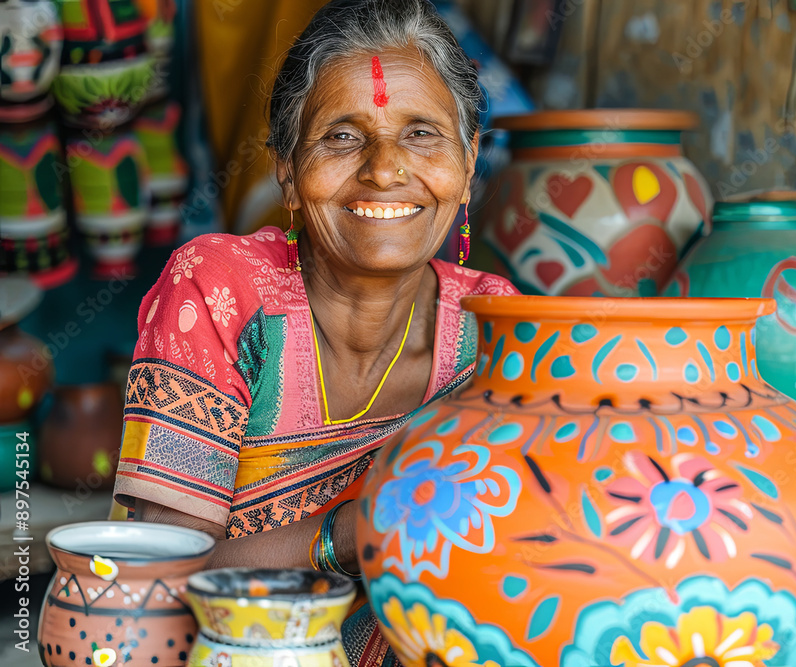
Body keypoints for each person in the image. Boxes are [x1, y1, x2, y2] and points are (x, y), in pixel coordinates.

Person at [112, 1, 517, 663]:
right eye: (341, 136)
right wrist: (360, 530)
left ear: (469, 162)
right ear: (288, 170)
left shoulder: (501, 329)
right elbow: (170, 577)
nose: (384, 168)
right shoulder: (219, 292)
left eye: (421, 134)